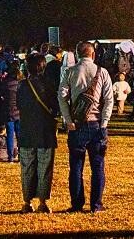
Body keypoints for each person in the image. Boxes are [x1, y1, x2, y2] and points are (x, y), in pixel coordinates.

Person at [58, 41, 113, 213]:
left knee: (76, 167)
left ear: (77, 54)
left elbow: (61, 97)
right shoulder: (102, 72)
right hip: (96, 124)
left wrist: (68, 120)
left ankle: (76, 204)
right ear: (93, 54)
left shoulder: (69, 71)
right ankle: (96, 205)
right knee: (98, 167)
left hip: (77, 124)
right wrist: (104, 123)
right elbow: (109, 100)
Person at [18, 53, 58, 214]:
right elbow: (55, 107)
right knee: (45, 167)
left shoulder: (22, 85)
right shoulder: (49, 84)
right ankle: (42, 202)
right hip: (45, 131)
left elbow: (19, 105)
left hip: (27, 131)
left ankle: (26, 202)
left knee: (27, 167)